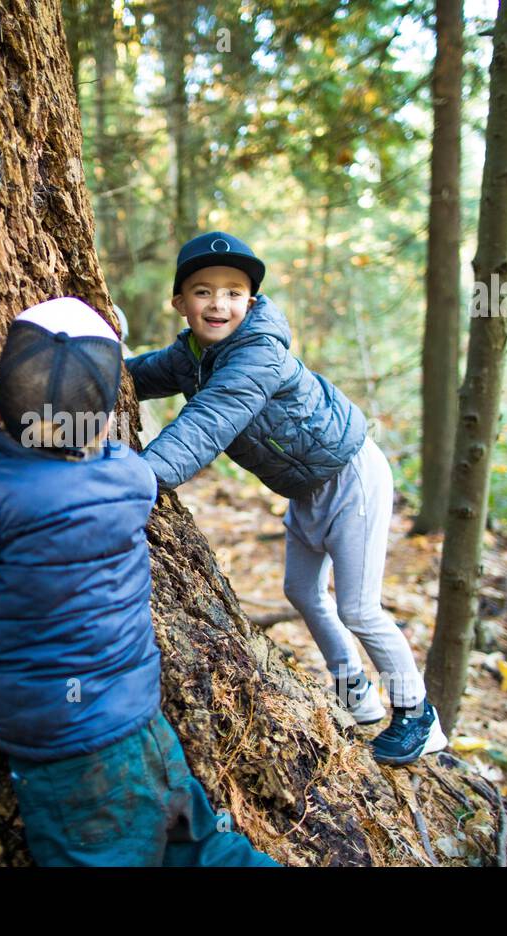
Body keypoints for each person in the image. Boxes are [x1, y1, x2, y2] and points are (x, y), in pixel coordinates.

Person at [0, 295, 281, 866]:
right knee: (200, 848)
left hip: (69, 756)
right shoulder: (131, 475)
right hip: (140, 722)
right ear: (104, 421)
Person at [124, 232, 448, 766]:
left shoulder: (258, 355)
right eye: (203, 292)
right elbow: (135, 377)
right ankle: (356, 695)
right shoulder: (191, 356)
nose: (218, 304)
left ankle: (417, 713)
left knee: (359, 607)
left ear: (250, 303)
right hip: (305, 490)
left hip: (351, 477)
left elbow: (208, 424)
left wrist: (134, 477)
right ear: (180, 303)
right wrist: (91, 363)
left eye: (233, 292)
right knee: (301, 590)